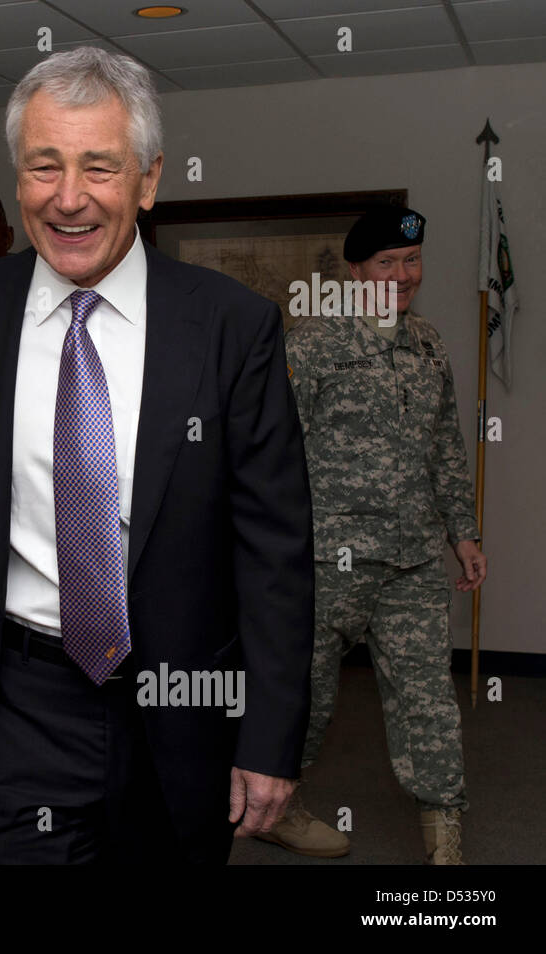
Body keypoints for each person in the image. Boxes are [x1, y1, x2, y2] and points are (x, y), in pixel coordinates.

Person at [0, 47, 314, 864]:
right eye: (45, 166)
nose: (68, 198)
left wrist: (270, 738)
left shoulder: (231, 328)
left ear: (148, 180)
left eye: (99, 169)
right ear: (18, 176)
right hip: (15, 711)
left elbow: (276, 554)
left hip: (180, 709)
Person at [279, 207, 486, 865]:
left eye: (413, 260)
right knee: (303, 700)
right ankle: (274, 808)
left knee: (428, 701)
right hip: (326, 556)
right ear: (356, 269)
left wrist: (464, 533)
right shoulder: (312, 344)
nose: (404, 275)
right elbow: (271, 452)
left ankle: (443, 834)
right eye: (388, 263)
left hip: (414, 559)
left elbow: (446, 446)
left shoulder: (427, 345)